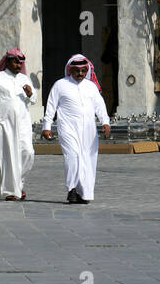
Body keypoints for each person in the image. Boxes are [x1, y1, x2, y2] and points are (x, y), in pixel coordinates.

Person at [41, 54, 111, 204]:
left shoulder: (91, 87)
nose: (80, 74)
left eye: (83, 71)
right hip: (68, 127)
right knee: (72, 156)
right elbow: (51, 106)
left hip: (88, 129)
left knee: (87, 159)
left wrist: (105, 122)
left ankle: (83, 192)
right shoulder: (60, 85)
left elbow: (100, 106)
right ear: (70, 70)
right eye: (76, 71)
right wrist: (46, 126)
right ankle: (72, 189)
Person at [0, 47, 36, 201]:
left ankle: (18, 184)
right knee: (6, 156)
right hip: (4, 122)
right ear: (7, 62)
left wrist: (30, 93)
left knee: (28, 152)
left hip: (23, 123)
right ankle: (10, 191)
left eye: (20, 63)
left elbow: (33, 100)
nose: (18, 65)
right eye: (15, 62)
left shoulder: (24, 79)